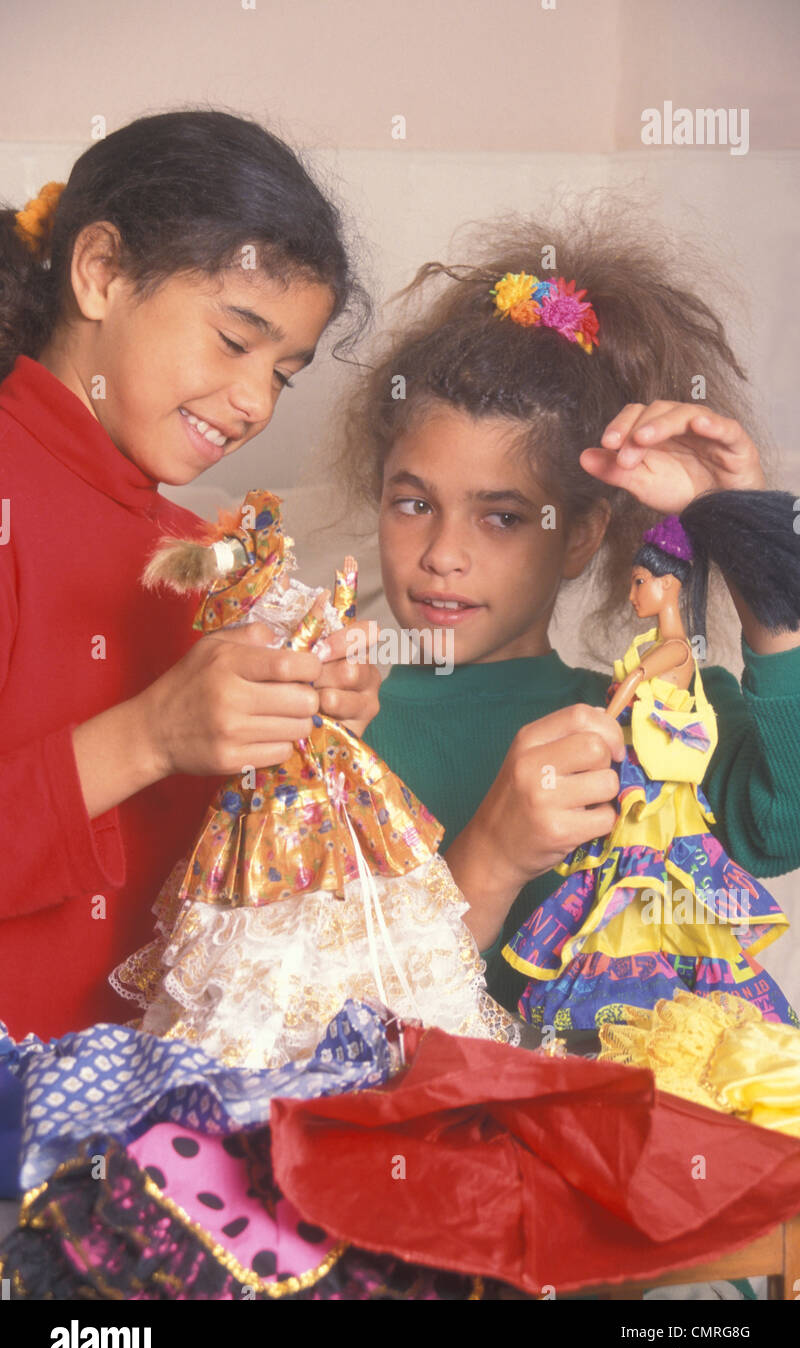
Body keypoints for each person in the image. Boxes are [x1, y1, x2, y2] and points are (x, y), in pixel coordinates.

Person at [348, 206, 800, 1013]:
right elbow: (331, 1026)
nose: (444, 553)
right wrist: (489, 855)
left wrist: (749, 528)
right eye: (413, 504)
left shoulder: (641, 715)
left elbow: (784, 819)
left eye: (502, 517)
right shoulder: (330, 733)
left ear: (582, 536)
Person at [0, 109, 379, 1041]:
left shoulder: (204, 551)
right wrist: (151, 737)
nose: (255, 401)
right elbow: (149, 747)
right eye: (233, 339)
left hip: (158, 1120)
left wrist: (302, 728)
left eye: (284, 371)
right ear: (100, 273)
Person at [110, 489, 517, 1066]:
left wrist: (342, 609)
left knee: (350, 891)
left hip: (320, 760)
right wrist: (322, 640)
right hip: (281, 775)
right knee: (278, 904)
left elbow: (325, 638)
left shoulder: (273, 601)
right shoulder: (245, 615)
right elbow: (299, 651)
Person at [503, 500, 799, 1027]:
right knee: (630, 894)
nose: (632, 593)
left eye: (641, 582)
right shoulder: (659, 646)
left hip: (660, 800)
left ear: (669, 587)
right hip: (644, 793)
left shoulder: (674, 651)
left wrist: (606, 713)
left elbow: (638, 682)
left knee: (645, 890)